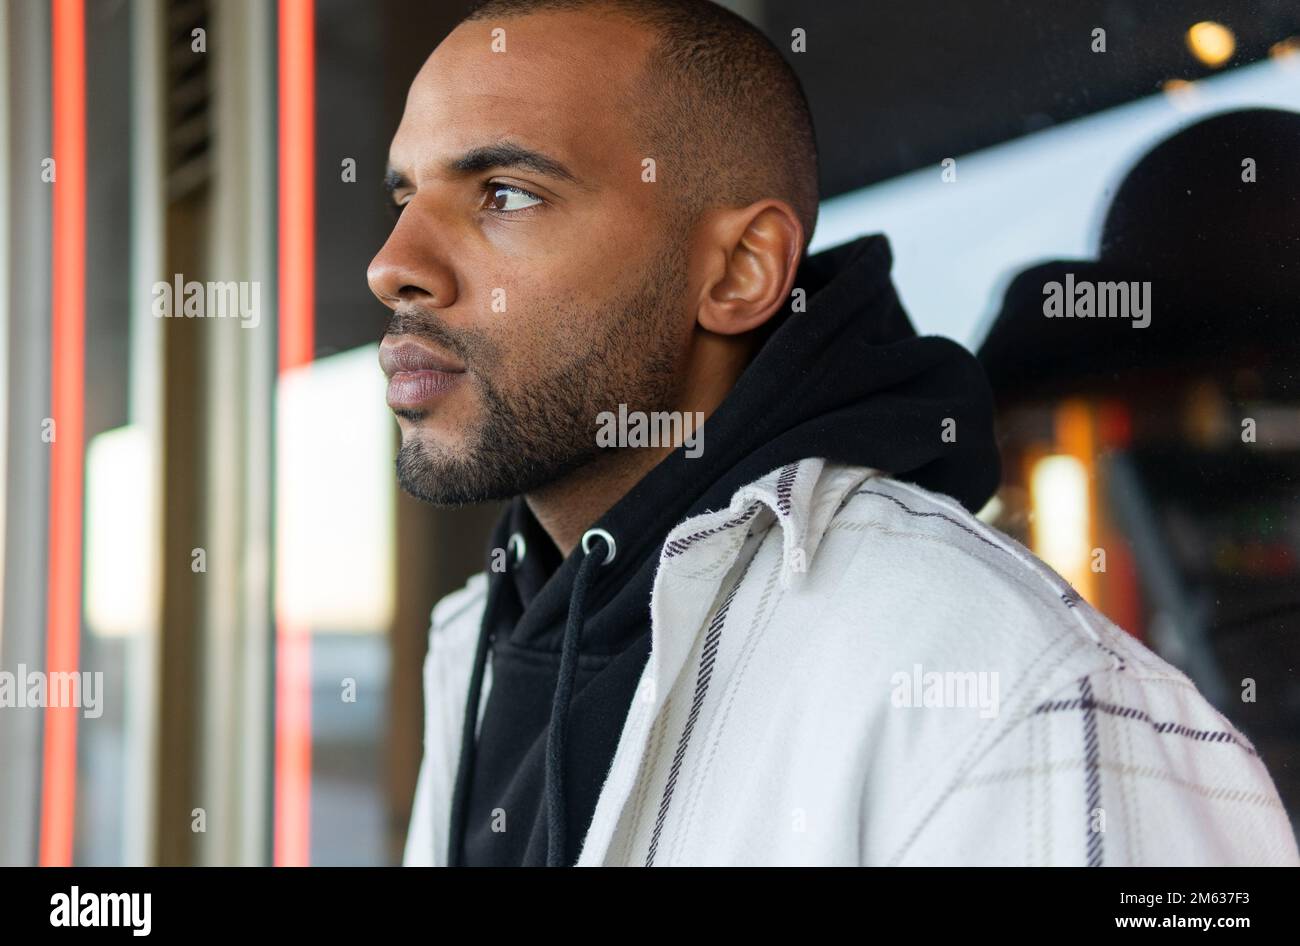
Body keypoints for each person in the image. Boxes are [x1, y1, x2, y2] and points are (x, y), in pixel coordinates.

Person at [367, 0, 1298, 865]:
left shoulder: (1000, 684)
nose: (392, 264)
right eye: (405, 196)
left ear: (738, 271)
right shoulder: (478, 639)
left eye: (507, 193)